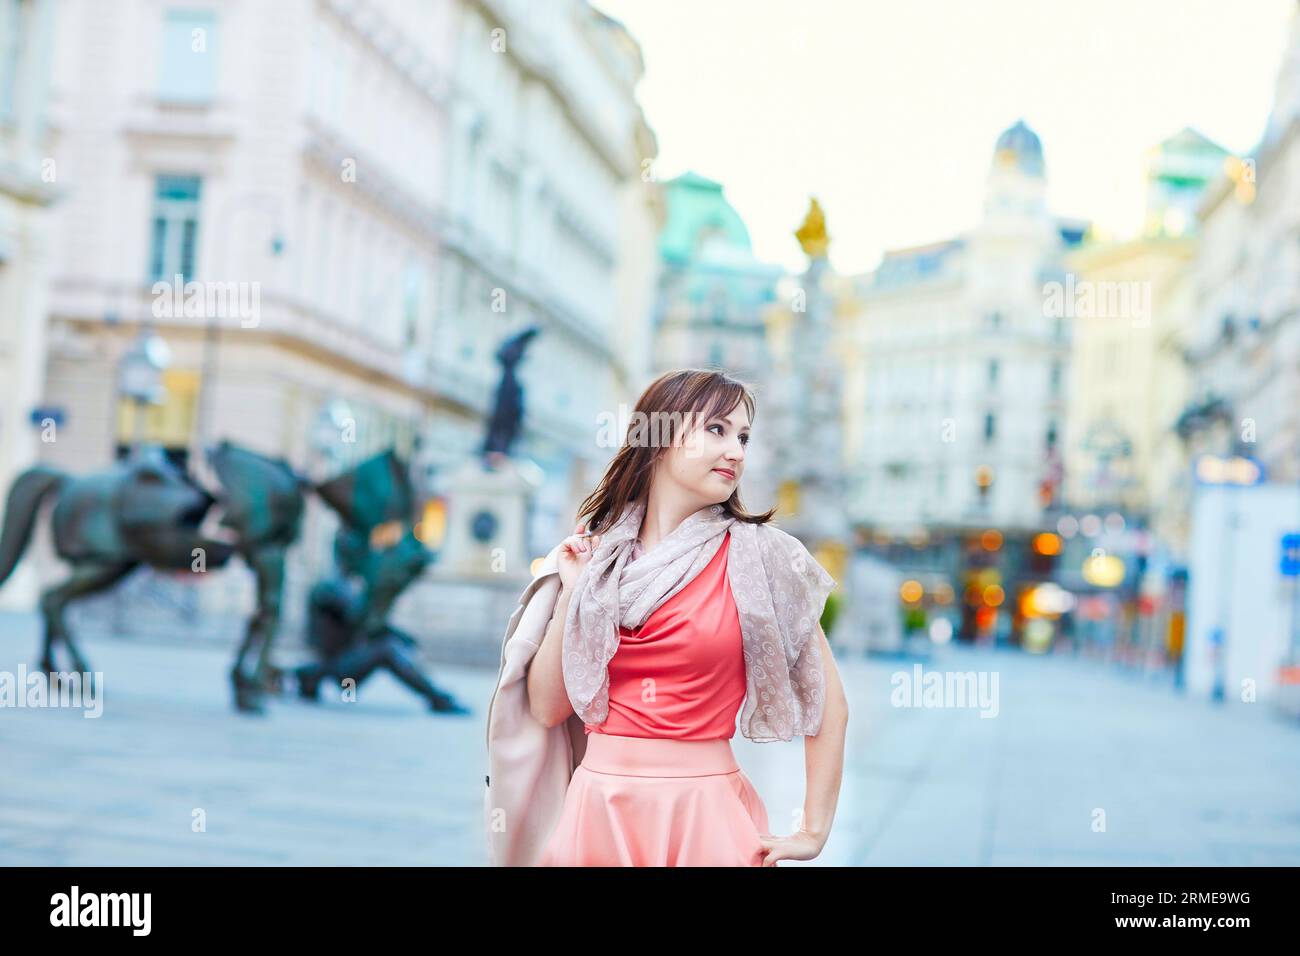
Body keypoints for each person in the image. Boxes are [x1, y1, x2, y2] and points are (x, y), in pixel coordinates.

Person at [524, 368, 849, 866]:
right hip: (598, 810)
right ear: (656, 438)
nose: (737, 452)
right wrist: (573, 592)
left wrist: (814, 828)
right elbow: (547, 708)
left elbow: (826, 703)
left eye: (743, 437)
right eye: (717, 430)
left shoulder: (761, 557)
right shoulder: (598, 559)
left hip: (703, 815)